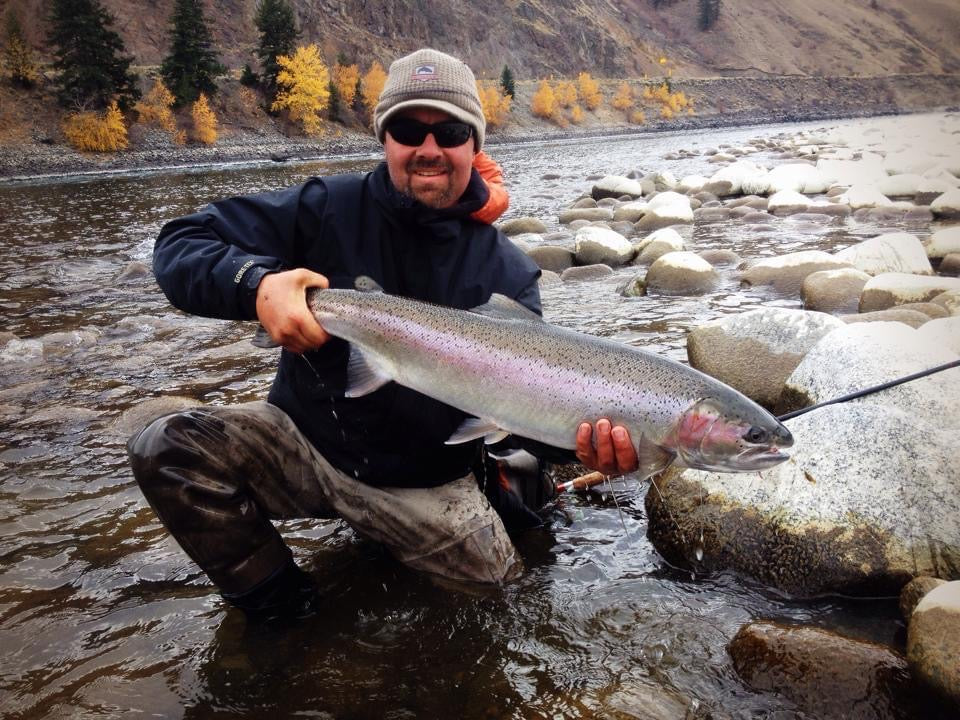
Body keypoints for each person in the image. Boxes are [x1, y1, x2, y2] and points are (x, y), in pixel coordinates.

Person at [127, 48, 637, 618]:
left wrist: (582, 441)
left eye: (449, 131)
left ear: (475, 144)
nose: (428, 148)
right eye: (406, 129)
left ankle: (493, 504)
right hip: (307, 445)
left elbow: (522, 416)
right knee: (168, 448)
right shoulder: (324, 208)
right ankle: (281, 614)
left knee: (496, 608)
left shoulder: (507, 273)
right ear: (383, 137)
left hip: (424, 486)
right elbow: (180, 243)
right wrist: (255, 285)